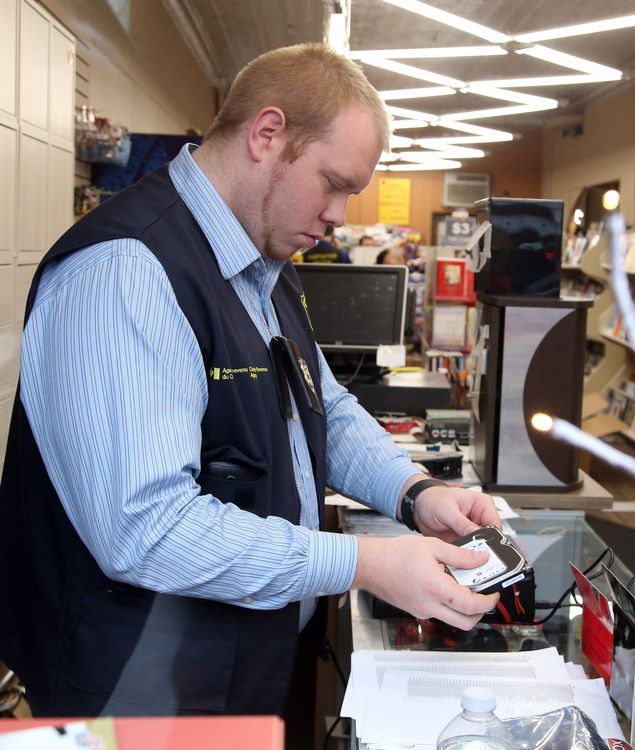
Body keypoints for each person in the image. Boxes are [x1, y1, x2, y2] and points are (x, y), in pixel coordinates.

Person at [0, 43, 501, 720]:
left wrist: (414, 492)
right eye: (333, 183)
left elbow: (322, 405)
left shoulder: (263, 260)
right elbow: (146, 529)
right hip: (132, 691)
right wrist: (362, 563)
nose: (339, 218)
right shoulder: (125, 274)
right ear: (268, 135)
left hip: (228, 668)